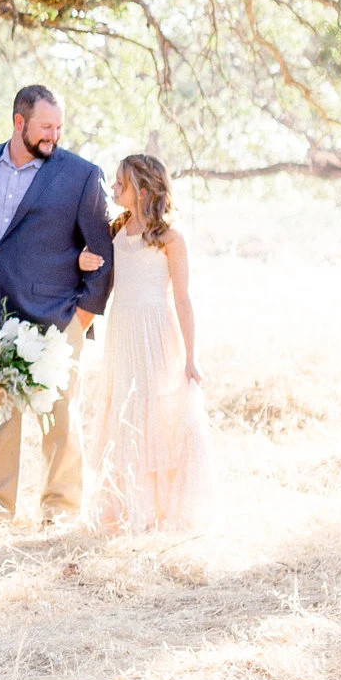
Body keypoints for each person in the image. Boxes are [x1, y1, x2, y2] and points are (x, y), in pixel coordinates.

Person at [0, 84, 115, 521]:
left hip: (56, 319)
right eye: (46, 127)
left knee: (60, 422)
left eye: (59, 127)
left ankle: (60, 509)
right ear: (19, 122)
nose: (54, 135)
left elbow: (102, 255)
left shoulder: (82, 175)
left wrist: (81, 318)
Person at [78, 154, 218, 534]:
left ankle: (161, 510)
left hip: (156, 332)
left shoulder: (170, 238)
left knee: (157, 412)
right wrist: (83, 259)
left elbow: (183, 299)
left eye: (120, 182)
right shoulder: (115, 230)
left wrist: (191, 357)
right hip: (123, 331)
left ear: (141, 190)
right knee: (125, 408)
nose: (113, 188)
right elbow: (96, 268)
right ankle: (130, 508)